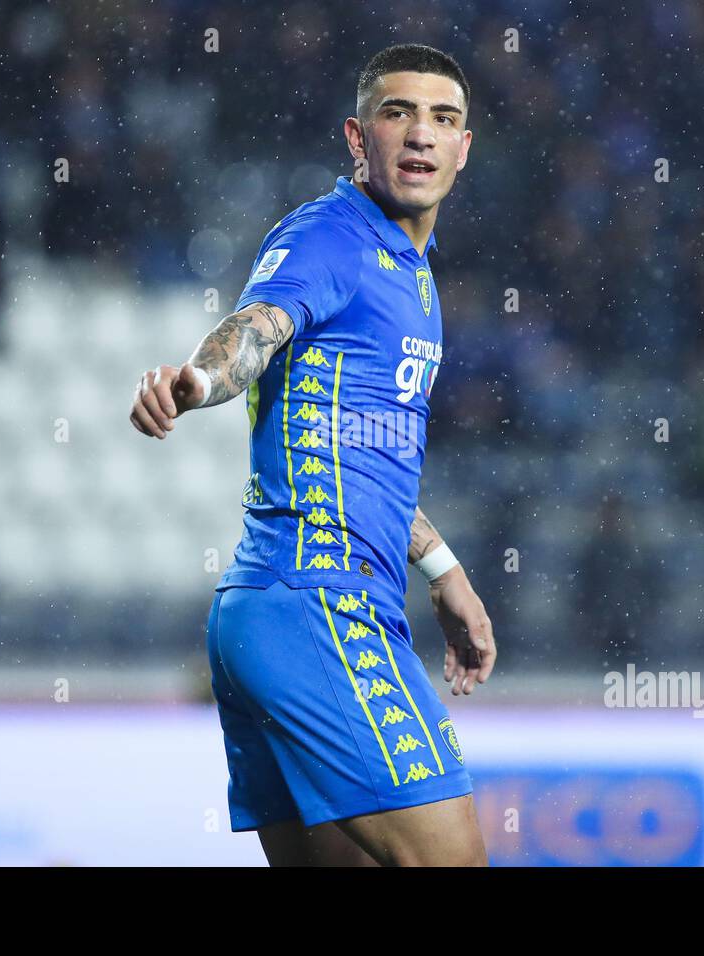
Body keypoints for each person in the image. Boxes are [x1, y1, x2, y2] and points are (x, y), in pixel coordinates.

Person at [131, 44, 496, 866]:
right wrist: (195, 379)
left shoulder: (414, 273)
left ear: (464, 148)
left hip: (269, 605)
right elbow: (257, 328)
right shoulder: (333, 236)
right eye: (397, 112)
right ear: (357, 138)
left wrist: (442, 570)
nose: (420, 135)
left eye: (443, 118)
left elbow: (359, 447)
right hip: (318, 603)